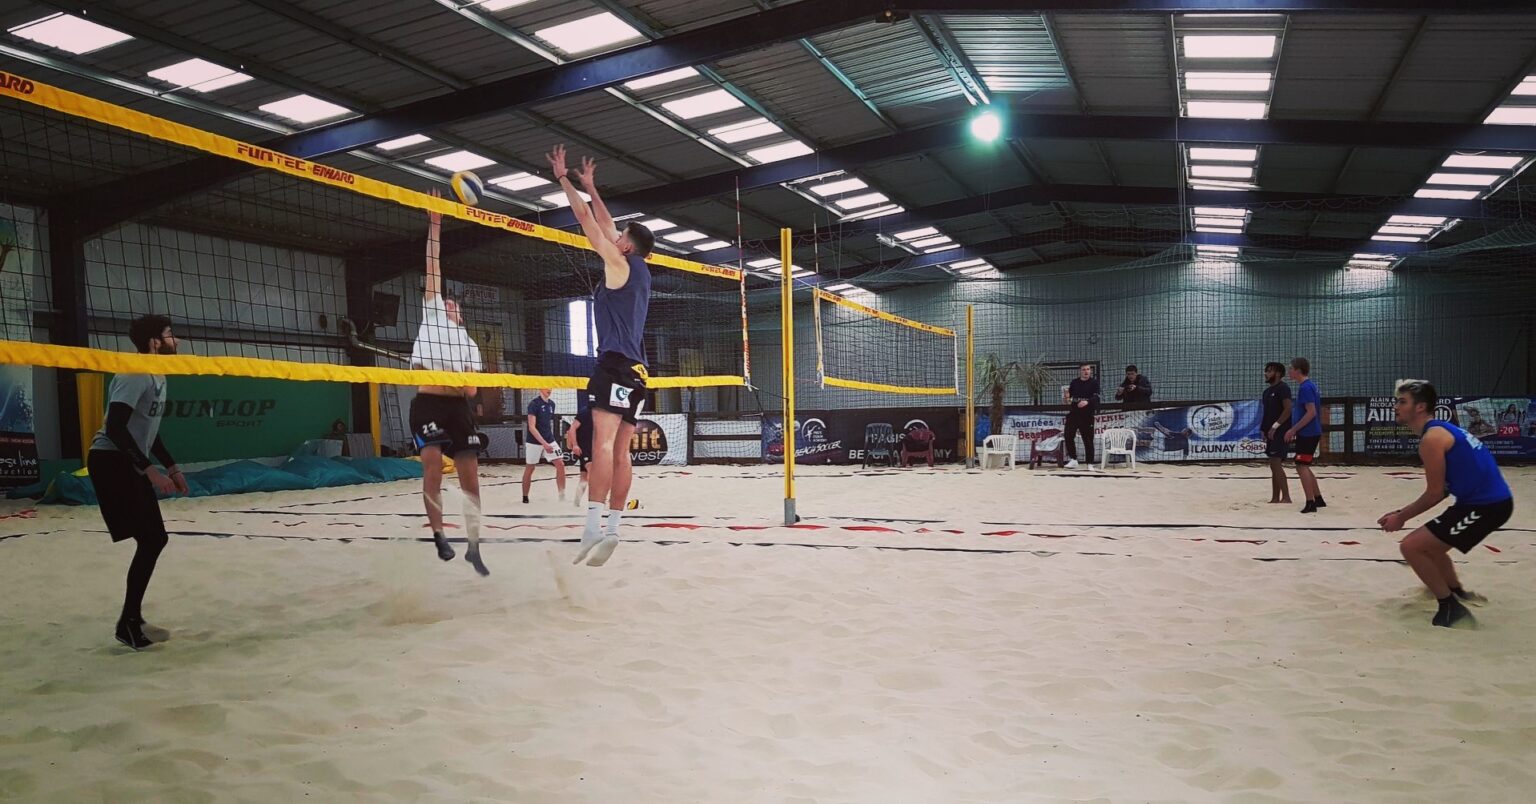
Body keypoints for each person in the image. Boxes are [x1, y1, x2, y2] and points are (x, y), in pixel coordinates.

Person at [547, 144, 655, 567]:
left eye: (621, 238)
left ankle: (592, 525)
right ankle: (612, 528)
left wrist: (563, 180)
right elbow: (607, 223)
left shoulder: (618, 264)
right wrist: (591, 185)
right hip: (639, 371)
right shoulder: (640, 269)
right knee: (623, 452)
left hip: (613, 365)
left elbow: (588, 223)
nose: (616, 237)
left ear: (626, 247)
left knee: (604, 448)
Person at [88, 314, 189, 650]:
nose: (177, 340)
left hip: (125, 461)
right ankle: (129, 622)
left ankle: (130, 620)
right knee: (152, 538)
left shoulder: (159, 373)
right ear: (154, 342)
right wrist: (149, 470)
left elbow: (149, 431)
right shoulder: (134, 372)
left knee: (154, 539)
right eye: (170, 334)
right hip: (110, 462)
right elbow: (116, 428)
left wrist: (171, 466)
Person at [1378, 380, 1511, 628]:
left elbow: (1434, 493)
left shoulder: (1432, 438)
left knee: (1411, 547)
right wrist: (1400, 513)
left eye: (1402, 401)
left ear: (1420, 407)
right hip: (1478, 501)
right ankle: (1455, 590)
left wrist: (1401, 517)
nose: (1396, 406)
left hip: (1487, 506)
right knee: (1431, 547)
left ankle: (1450, 607)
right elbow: (1442, 491)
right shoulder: (1440, 430)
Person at [408, 197, 489, 576]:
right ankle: (439, 534)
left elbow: (471, 391)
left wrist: (457, 382)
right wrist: (436, 226)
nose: (450, 305)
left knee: (471, 476)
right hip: (427, 404)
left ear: (462, 313)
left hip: (458, 407)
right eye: (446, 301)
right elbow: (433, 268)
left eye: (455, 305)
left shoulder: (469, 343)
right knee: (433, 469)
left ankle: (473, 543)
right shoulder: (433, 316)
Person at [1284, 357, 1326, 513]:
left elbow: (1311, 413)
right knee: (1305, 465)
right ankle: (1318, 498)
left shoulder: (1306, 388)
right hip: (1310, 432)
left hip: (1308, 433)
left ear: (1298, 370)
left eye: (1290, 368)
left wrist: (1293, 429)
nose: (1289, 371)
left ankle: (1310, 502)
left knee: (1301, 466)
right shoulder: (1310, 386)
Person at [521, 388, 567, 504]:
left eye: (551, 387)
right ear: (540, 388)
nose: (549, 389)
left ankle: (562, 496)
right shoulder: (534, 404)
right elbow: (532, 427)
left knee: (560, 464)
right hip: (534, 441)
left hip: (549, 439)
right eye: (547, 387)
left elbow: (546, 425)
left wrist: (548, 442)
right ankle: (525, 496)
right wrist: (544, 444)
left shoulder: (552, 404)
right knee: (530, 467)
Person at [1260, 361, 1293, 504]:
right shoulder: (1267, 392)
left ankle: (1286, 497)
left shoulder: (1283, 388)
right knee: (1273, 464)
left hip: (1281, 431)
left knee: (1275, 462)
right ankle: (1275, 497)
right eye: (1266, 371)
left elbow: (1288, 409)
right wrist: (1263, 429)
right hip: (1270, 431)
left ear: (1278, 373)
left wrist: (1275, 426)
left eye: (1269, 371)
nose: (1266, 373)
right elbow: (1267, 413)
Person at [1062, 363, 1100, 469]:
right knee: (1068, 435)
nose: (1086, 371)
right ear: (1080, 371)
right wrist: (1066, 398)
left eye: (1088, 369)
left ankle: (1090, 463)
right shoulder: (1074, 383)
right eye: (1084, 369)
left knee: (1087, 439)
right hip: (1074, 413)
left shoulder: (1094, 383)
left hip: (1087, 415)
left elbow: (1096, 398)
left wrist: (1087, 402)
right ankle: (1073, 459)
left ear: (1090, 371)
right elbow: (1069, 399)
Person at [565, 402, 595, 508]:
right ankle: (594, 502)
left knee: (584, 477)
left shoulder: (602, 411)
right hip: (585, 448)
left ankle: (576, 502)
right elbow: (572, 429)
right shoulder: (585, 411)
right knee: (592, 473)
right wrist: (575, 445)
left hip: (595, 447)